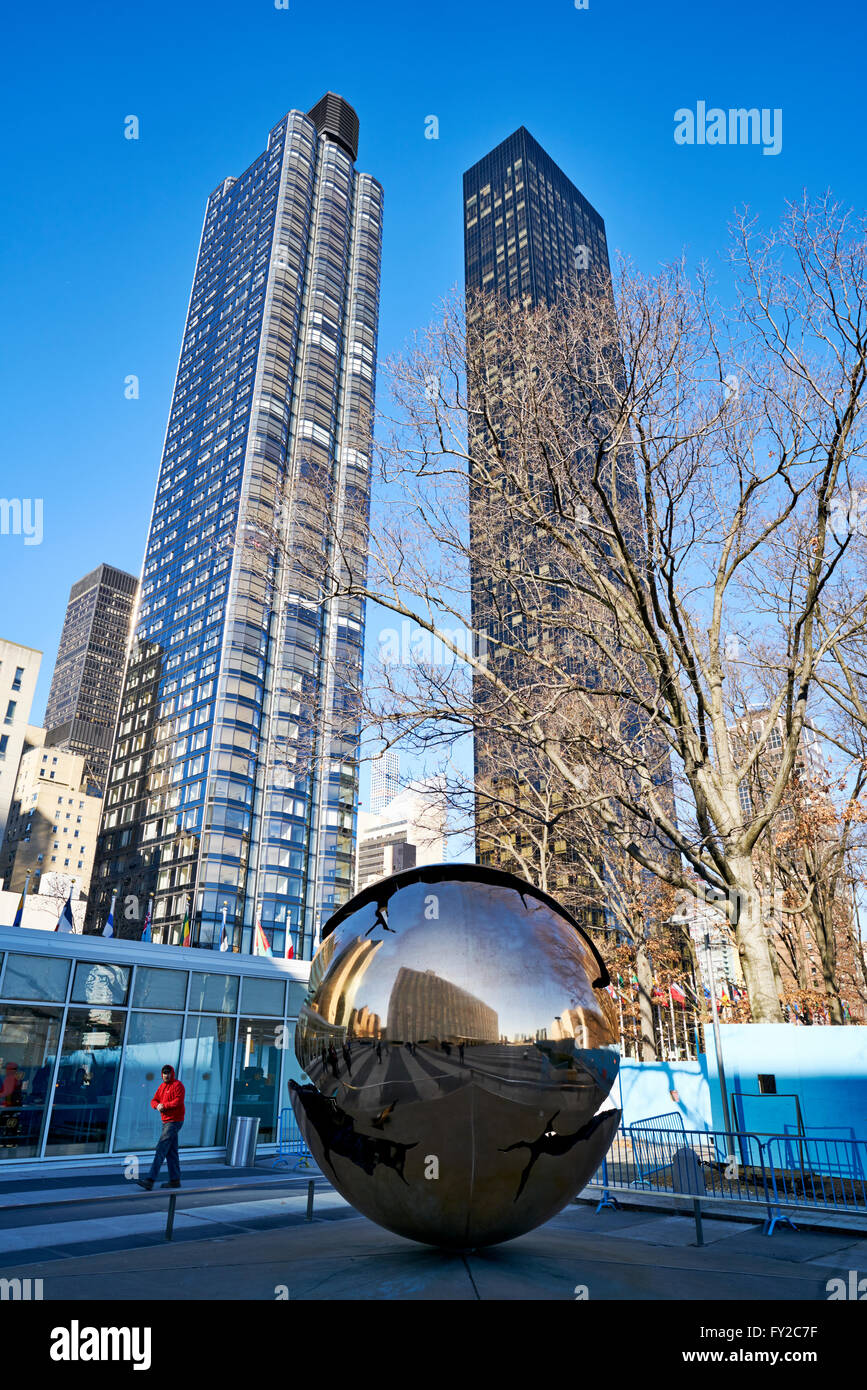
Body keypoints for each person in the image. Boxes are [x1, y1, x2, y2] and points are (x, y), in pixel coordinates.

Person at [137, 1064, 185, 1190]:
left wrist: (164, 1105)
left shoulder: (178, 1085)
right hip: (166, 1122)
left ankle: (150, 1180)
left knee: (161, 1149)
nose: (166, 1075)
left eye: (168, 1073)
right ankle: (175, 1180)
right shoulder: (162, 1087)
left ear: (172, 1073)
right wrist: (156, 1105)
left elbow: (178, 1101)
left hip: (174, 1121)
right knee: (171, 1152)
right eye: (164, 1073)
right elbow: (153, 1100)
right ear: (161, 1074)